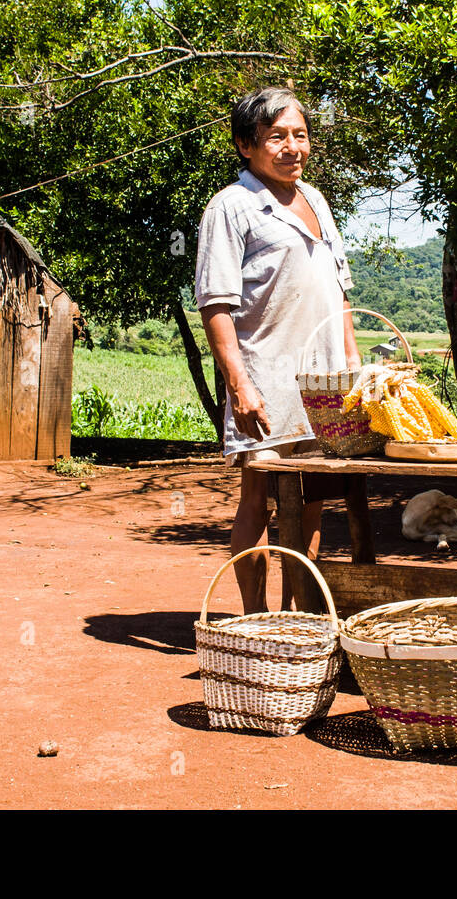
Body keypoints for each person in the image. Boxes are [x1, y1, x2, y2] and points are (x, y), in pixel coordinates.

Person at [195, 87, 361, 614]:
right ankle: (255, 618)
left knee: (310, 501)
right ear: (246, 144)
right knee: (258, 497)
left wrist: (352, 364)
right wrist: (239, 384)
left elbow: (339, 290)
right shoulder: (232, 206)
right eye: (276, 137)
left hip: (323, 384)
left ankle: (298, 614)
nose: (292, 147)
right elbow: (215, 304)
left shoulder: (315, 200)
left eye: (301, 135)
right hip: (266, 379)